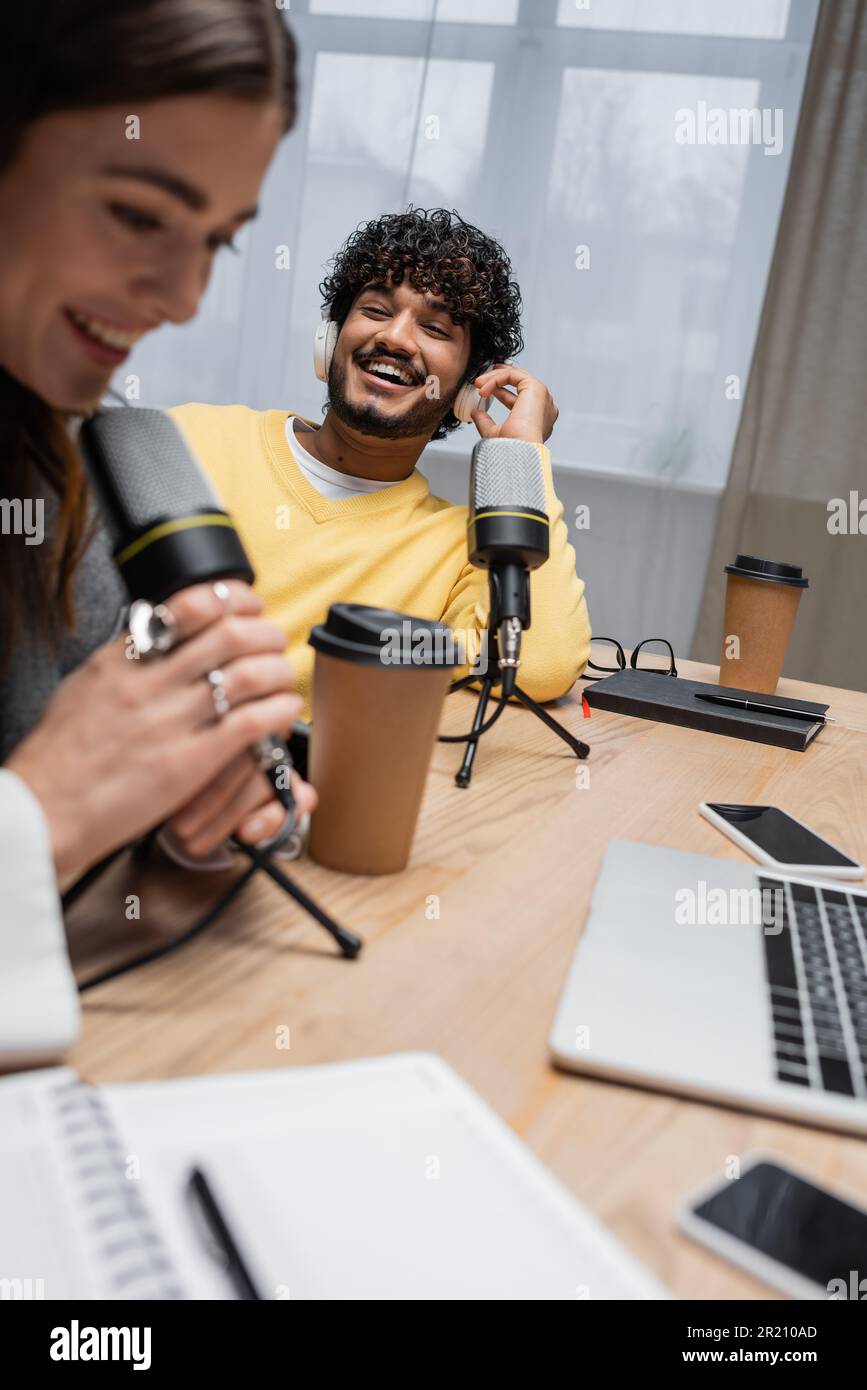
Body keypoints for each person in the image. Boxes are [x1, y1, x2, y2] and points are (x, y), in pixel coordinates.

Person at [0, 0, 316, 1026]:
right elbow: (48, 790)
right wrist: (41, 817)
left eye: (217, 241)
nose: (183, 297)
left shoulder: (74, 455)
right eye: (139, 213)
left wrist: (181, 807)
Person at [170, 208, 591, 722]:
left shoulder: (463, 547)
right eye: (374, 309)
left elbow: (537, 667)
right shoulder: (190, 440)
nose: (396, 338)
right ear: (330, 339)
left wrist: (521, 455)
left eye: (435, 327)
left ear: (466, 388)